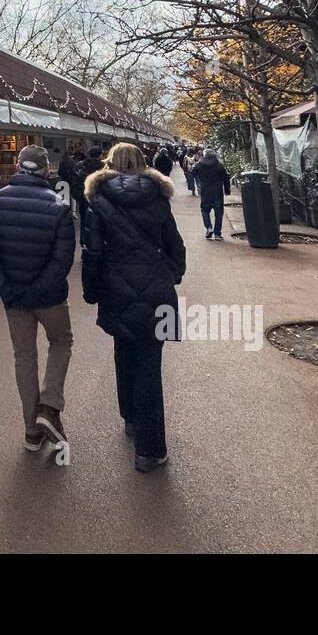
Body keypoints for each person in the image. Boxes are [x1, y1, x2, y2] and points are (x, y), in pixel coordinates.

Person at [81, 142, 186, 473]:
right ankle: (149, 450)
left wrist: (91, 291)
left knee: (123, 353)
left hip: (117, 290)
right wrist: (172, 274)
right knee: (149, 367)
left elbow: (92, 252)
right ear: (142, 162)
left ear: (110, 163)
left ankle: (130, 417)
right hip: (156, 291)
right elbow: (176, 246)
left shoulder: (98, 200)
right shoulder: (158, 197)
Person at [0, 144, 76, 454]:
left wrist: (5, 288)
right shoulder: (58, 206)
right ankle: (49, 407)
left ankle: (32, 430)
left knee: (24, 356)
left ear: (18, 167)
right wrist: (38, 289)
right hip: (50, 297)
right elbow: (62, 259)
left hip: (14, 298)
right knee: (61, 342)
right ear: (46, 170)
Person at [191, 147, 232, 240]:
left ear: (204, 155)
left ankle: (209, 227)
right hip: (217, 191)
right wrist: (227, 190)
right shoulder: (219, 165)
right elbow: (226, 178)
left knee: (205, 210)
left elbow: (193, 173)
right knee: (219, 212)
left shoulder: (199, 164)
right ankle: (217, 234)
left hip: (205, 191)